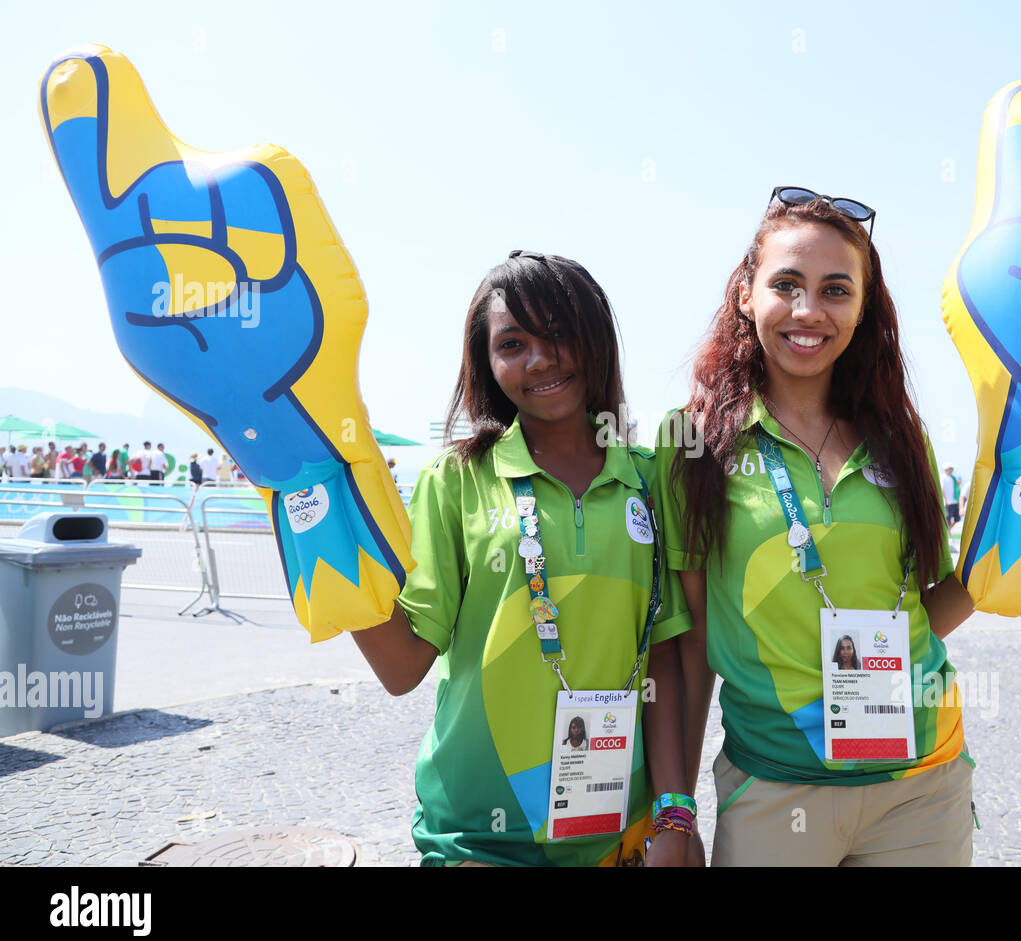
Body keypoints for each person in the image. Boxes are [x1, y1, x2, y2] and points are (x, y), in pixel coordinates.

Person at [659, 187, 976, 867]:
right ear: (747, 293)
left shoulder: (902, 438)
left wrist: (999, 566)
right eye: (786, 285)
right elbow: (691, 649)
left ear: (863, 308)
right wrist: (675, 812)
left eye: (836, 289)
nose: (809, 311)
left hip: (924, 785)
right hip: (776, 786)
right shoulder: (690, 441)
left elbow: (926, 607)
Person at [347, 252, 694, 866]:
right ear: (486, 362)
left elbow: (661, 656)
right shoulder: (454, 479)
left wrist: (674, 818)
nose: (539, 359)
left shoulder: (649, 479)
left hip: (621, 835)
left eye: (559, 333)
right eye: (512, 343)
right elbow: (402, 668)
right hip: (478, 837)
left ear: (598, 340)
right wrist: (323, 542)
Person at [940, 462, 961, 529]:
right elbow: (941, 489)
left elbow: (957, 488)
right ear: (947, 469)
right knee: (947, 519)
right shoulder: (943, 477)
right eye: (951, 468)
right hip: (948, 502)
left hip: (954, 501)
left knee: (957, 518)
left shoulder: (953, 478)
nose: (952, 470)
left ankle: (948, 530)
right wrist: (945, 500)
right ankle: (947, 533)